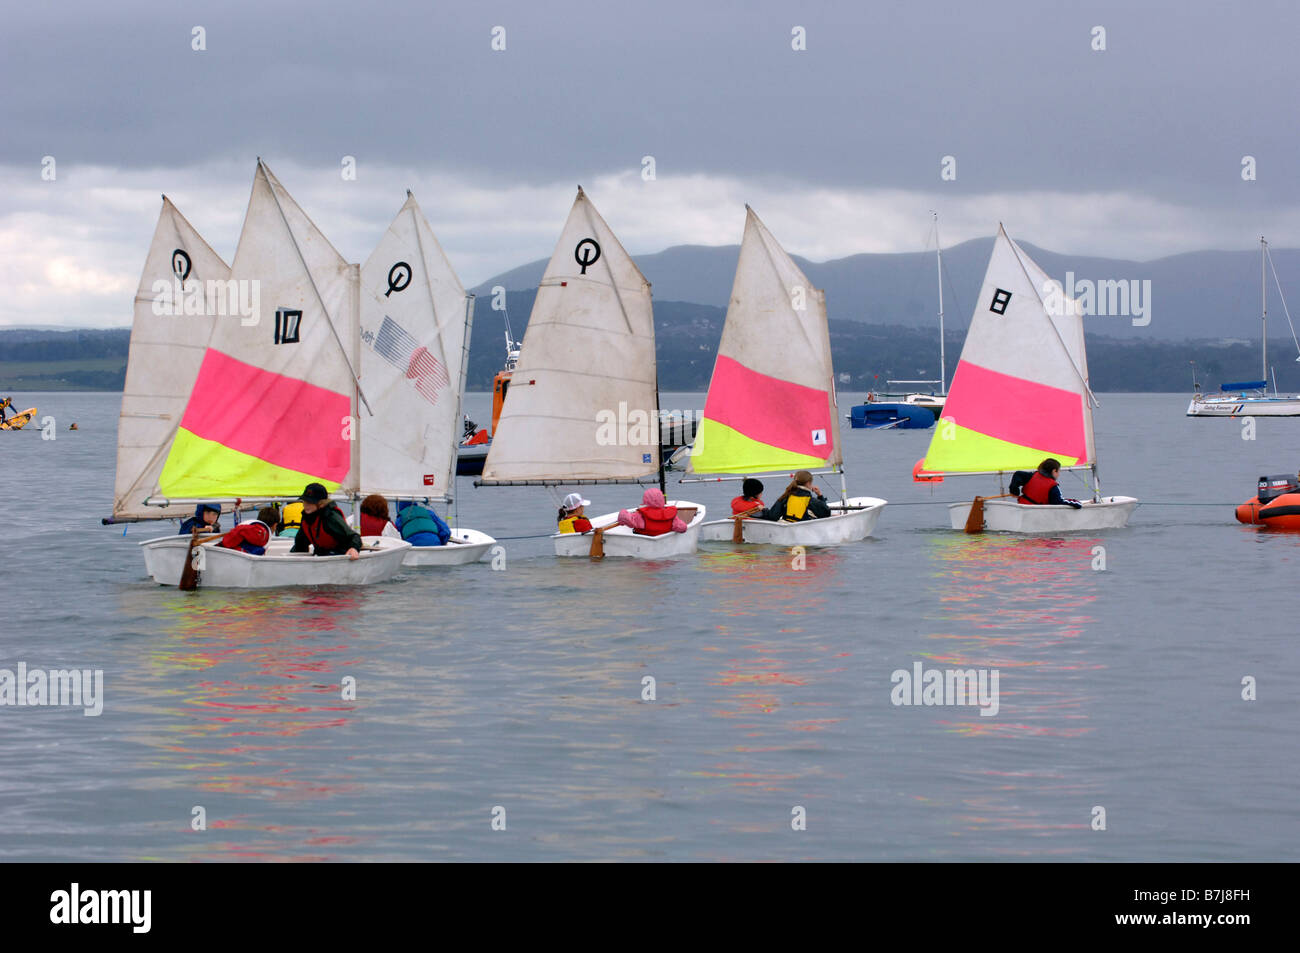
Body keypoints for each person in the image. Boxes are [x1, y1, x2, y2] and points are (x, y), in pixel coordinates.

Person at [290, 483, 362, 559]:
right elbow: (300, 543)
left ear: (321, 503)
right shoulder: (306, 517)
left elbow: (354, 537)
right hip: (321, 555)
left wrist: (354, 548)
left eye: (310, 502)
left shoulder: (331, 517)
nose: (306, 505)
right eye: (305, 501)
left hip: (338, 555)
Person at [1009, 458, 1083, 509]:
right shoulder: (1053, 486)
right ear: (1054, 471)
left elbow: (1017, 474)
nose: (1059, 474)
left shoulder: (1031, 476)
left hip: (1022, 507)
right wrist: (1077, 503)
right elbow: (1059, 502)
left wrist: (1014, 491)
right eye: (1059, 471)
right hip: (1037, 513)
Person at [617, 488, 688, 536]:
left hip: (643, 544)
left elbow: (623, 517)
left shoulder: (640, 515)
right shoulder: (671, 516)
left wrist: (623, 512)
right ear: (662, 499)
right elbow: (682, 528)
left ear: (645, 500)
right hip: (662, 543)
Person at [765, 470, 831, 522]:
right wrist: (820, 496)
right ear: (809, 483)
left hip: (787, 531)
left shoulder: (785, 497)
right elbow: (826, 513)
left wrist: (764, 510)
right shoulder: (811, 501)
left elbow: (773, 516)